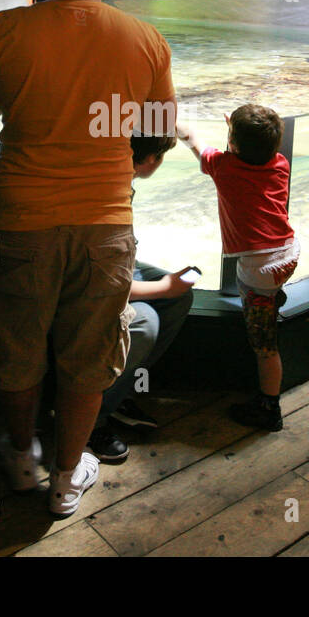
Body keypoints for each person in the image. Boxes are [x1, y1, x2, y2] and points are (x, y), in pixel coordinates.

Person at [0, 0, 175, 518]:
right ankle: (64, 477)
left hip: (20, 223)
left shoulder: (7, 28)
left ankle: (24, 459)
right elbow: (154, 148)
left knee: (16, 344)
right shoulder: (146, 40)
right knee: (89, 353)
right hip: (105, 225)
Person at [177, 105, 298, 431]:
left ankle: (269, 408)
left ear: (233, 142)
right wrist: (237, 134)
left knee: (264, 346)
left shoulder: (222, 166)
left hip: (259, 268)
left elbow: (190, 137)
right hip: (288, 251)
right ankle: (271, 300)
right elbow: (250, 150)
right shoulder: (280, 164)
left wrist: (171, 116)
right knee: (268, 296)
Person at [88, 131, 196, 463]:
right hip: (84, 291)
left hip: (112, 272)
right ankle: (90, 420)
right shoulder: (104, 190)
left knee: (179, 300)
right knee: (145, 322)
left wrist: (170, 288)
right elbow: (103, 282)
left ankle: (116, 393)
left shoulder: (117, 174)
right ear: (151, 160)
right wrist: (165, 286)